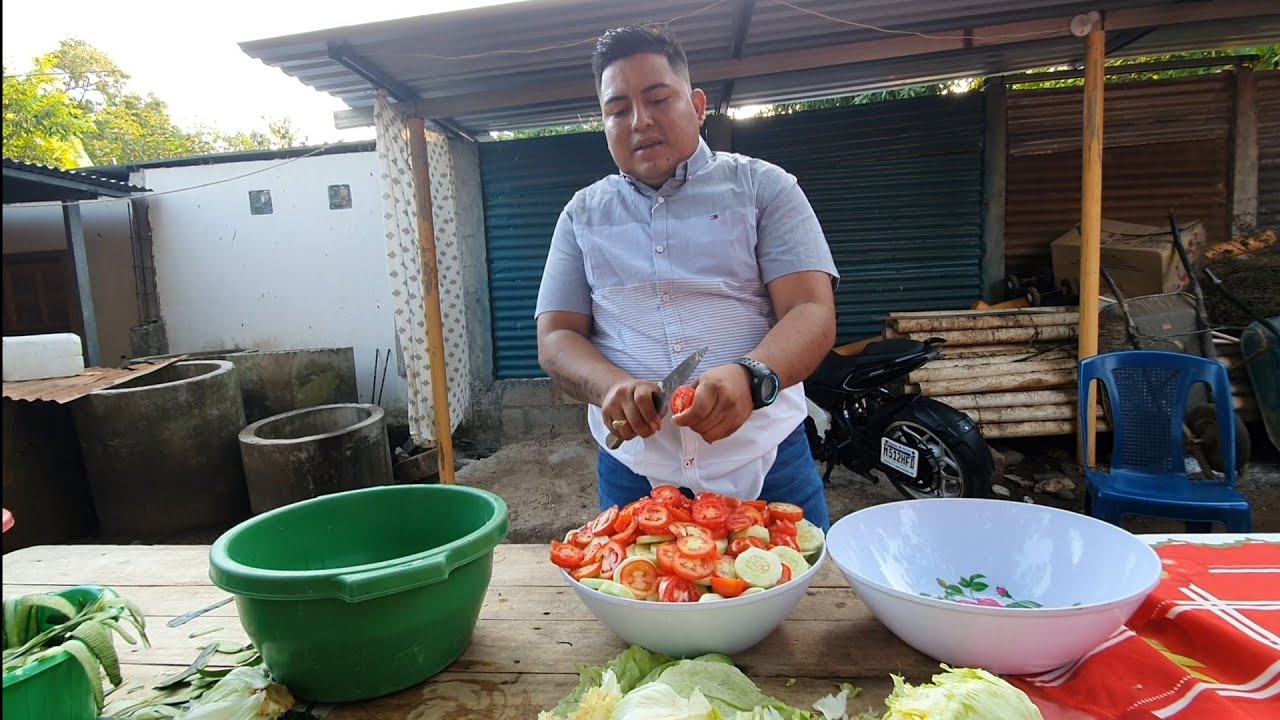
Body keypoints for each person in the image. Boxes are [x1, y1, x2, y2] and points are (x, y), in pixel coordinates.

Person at [534, 24, 839, 529]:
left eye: (658, 99)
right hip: (635, 470)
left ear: (697, 105)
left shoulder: (766, 189)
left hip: (768, 463)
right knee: (642, 604)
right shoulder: (581, 215)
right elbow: (557, 336)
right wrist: (611, 388)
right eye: (618, 110)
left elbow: (812, 311)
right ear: (604, 123)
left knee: (797, 603)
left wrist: (753, 376)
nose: (639, 121)